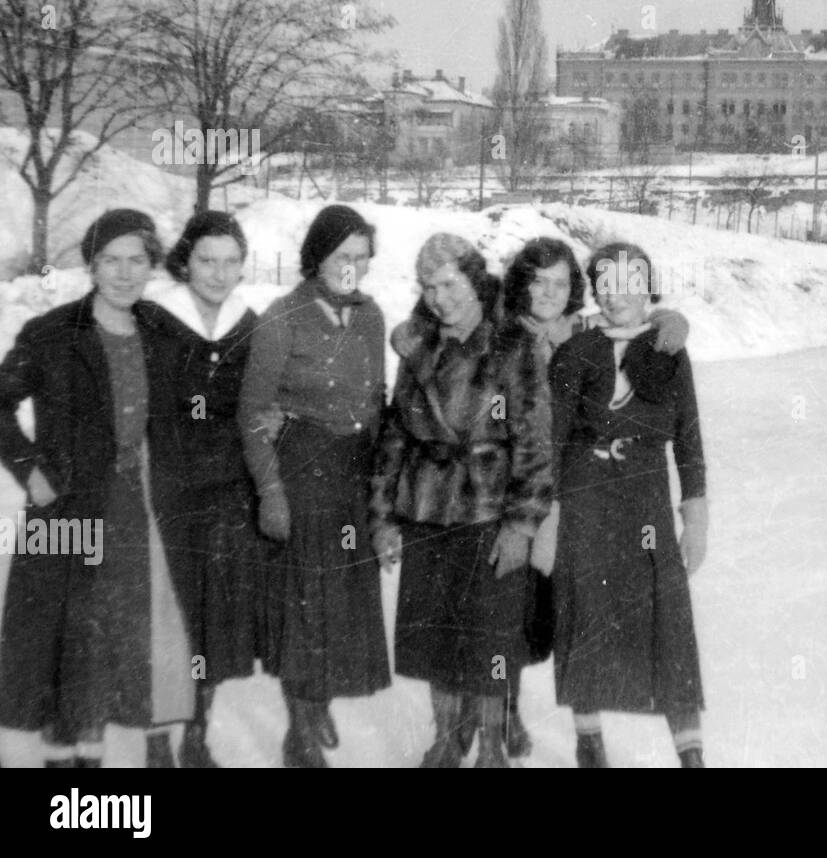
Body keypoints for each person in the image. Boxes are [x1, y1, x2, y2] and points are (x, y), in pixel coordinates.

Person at [0, 209, 193, 768]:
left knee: (126, 634)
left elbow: (202, 394)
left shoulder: (160, 329)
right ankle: (70, 767)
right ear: (91, 264)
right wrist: (31, 474)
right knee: (65, 637)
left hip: (138, 506)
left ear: (153, 265)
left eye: (138, 260)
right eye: (111, 260)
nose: (124, 273)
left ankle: (102, 749)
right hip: (67, 509)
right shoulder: (52, 332)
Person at [370, 233, 552, 768]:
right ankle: (448, 737)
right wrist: (381, 519)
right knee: (435, 638)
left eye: (449, 284)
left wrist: (521, 527)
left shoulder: (513, 345)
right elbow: (393, 437)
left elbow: (536, 444)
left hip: (490, 514)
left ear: (474, 280)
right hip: (427, 509)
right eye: (428, 287)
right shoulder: (417, 346)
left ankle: (492, 746)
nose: (439, 298)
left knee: (490, 641)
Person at [238, 205, 390, 768]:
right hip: (302, 469)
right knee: (305, 603)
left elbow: (378, 403)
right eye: (341, 256)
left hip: (353, 471)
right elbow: (254, 412)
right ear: (317, 256)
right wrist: (271, 490)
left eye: (362, 257)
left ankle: (317, 699)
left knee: (342, 601)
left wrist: (381, 492)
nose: (352, 267)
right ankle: (298, 732)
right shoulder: (283, 316)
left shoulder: (371, 316)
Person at [549, 241, 708, 768]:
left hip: (645, 501)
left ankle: (691, 754)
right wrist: (547, 514)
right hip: (584, 498)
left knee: (668, 621)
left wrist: (696, 516)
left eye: (628, 285)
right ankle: (589, 743)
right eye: (604, 286)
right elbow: (551, 438)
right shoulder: (576, 350)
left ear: (647, 289)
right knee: (584, 613)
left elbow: (687, 438)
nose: (615, 297)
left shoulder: (669, 350)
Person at [152, 212, 276, 768]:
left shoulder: (250, 324)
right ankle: (158, 741)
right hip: (165, 490)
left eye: (230, 261)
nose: (219, 273)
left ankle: (197, 734)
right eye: (207, 259)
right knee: (165, 617)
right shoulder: (153, 318)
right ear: (185, 260)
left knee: (215, 619)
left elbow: (266, 398)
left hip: (229, 491)